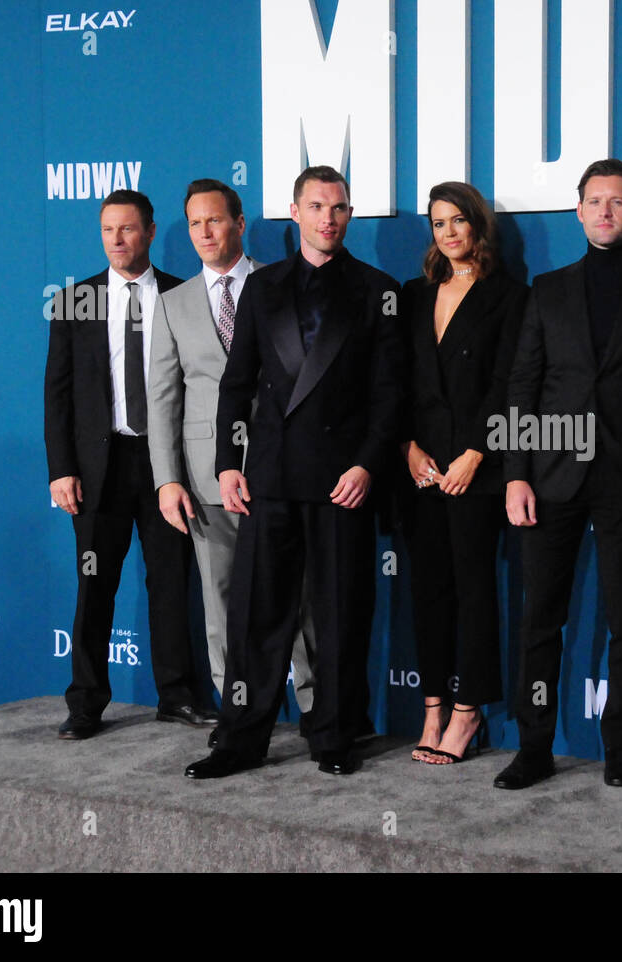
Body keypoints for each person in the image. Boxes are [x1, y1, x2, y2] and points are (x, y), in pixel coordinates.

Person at [183, 165, 402, 779]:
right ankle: (239, 741)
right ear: (295, 211)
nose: (327, 218)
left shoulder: (379, 290)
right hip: (269, 478)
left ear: (349, 215)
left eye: (338, 208)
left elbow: (390, 396)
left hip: (341, 483)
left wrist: (365, 464)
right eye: (316, 207)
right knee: (256, 618)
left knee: (338, 618)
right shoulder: (264, 286)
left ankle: (334, 735)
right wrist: (228, 463)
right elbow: (237, 384)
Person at [493, 159, 622, 790]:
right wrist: (516, 473)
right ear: (578, 212)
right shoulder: (547, 290)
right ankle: (533, 746)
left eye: (618, 201)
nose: (605, 211)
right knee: (539, 620)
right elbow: (523, 385)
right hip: (549, 475)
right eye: (594, 201)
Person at [148, 179, 316, 744]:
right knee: (221, 604)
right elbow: (163, 397)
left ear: (240, 223)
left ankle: (315, 710)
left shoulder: (280, 285)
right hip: (203, 478)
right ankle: (237, 713)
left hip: (279, 467)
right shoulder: (171, 304)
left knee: (296, 596)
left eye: (214, 220)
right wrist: (168, 479)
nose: (204, 233)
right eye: (194, 223)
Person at [45, 189, 214, 738]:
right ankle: (86, 703)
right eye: (107, 231)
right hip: (99, 465)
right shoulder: (76, 300)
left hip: (165, 462)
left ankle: (177, 695)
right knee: (95, 586)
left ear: (148, 230)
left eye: (127, 229)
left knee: (172, 581)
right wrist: (61, 469)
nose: (117, 240)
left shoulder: (181, 294)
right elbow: (58, 394)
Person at [399, 182, 527, 764]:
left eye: (457, 221)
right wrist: (408, 448)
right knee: (429, 591)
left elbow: (508, 384)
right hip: (421, 468)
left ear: (477, 225)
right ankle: (432, 705)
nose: (448, 233)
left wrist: (475, 454)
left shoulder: (508, 296)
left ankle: (468, 710)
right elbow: (396, 383)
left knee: (475, 592)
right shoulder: (412, 295)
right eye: (438, 224)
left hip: (478, 469)